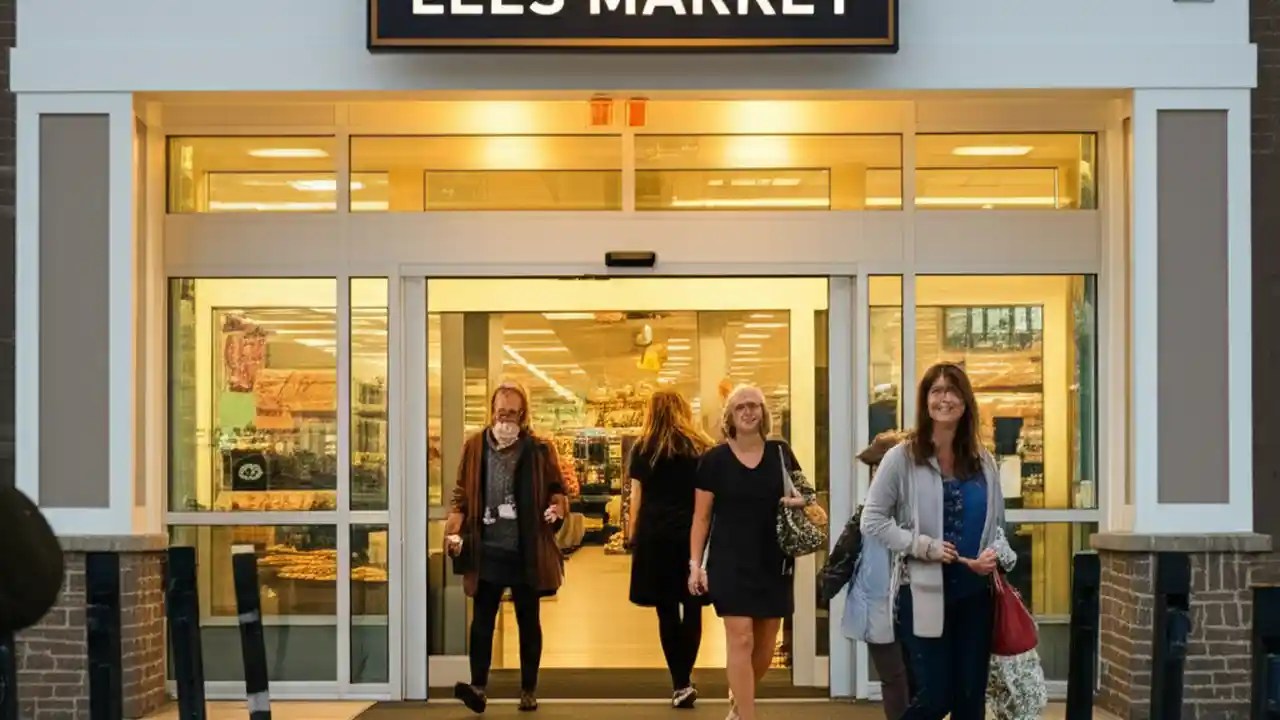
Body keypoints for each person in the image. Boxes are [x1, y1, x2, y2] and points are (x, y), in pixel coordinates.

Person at [860, 362, 1006, 720]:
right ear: (926, 401)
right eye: (936, 391)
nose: (944, 399)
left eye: (952, 390)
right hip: (923, 594)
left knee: (970, 703)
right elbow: (872, 520)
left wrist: (995, 554)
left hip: (975, 596)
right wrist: (924, 546)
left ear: (965, 401)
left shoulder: (983, 461)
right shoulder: (902, 458)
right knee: (936, 698)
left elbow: (1000, 528)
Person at [445, 381, 570, 714]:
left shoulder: (540, 450)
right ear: (492, 411)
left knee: (529, 621)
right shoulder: (474, 447)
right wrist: (454, 527)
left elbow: (559, 492)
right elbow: (461, 493)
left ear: (523, 414)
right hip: (486, 550)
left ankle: (529, 689)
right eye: (501, 412)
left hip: (525, 551)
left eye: (512, 413)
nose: (505, 420)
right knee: (482, 622)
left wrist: (556, 509)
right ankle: (478, 687)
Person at [688, 384, 809, 720]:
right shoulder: (713, 460)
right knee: (740, 638)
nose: (748, 412)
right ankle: (747, 715)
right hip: (730, 561)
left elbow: (808, 494)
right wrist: (695, 565)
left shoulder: (780, 453)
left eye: (754, 405)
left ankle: (738, 698)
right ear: (730, 415)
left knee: (765, 644)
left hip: (774, 560)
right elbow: (700, 518)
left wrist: (800, 501)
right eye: (740, 407)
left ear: (763, 412)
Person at [626, 390, 715, 709]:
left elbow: (636, 497)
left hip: (656, 535)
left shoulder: (643, 448)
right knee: (692, 608)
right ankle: (685, 679)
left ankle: (680, 683)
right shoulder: (700, 447)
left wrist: (632, 533)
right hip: (692, 534)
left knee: (666, 611)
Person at [843, 430, 912, 720]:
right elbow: (844, 557)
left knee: (915, 680)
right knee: (894, 677)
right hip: (877, 603)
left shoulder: (918, 509)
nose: (875, 477)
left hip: (912, 603)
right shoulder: (867, 513)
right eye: (873, 470)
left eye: (880, 469)